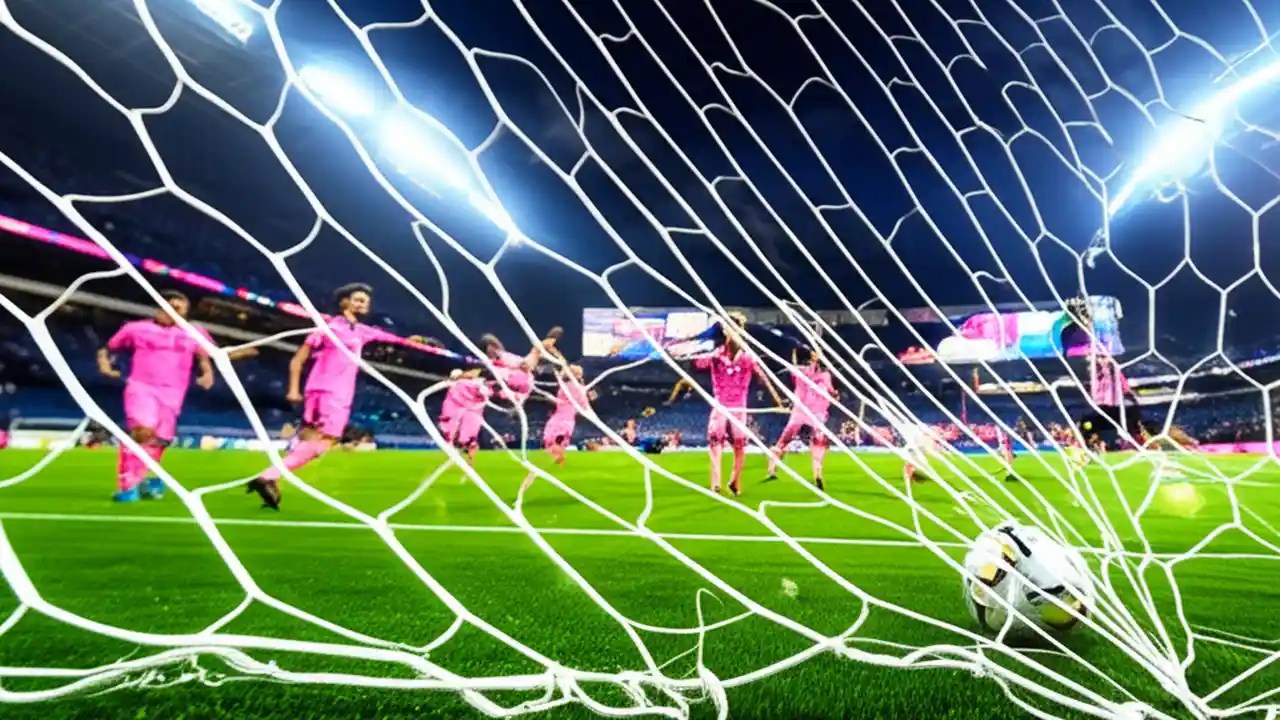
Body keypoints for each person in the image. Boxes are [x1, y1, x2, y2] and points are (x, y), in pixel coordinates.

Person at [246, 283, 417, 509]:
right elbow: (298, 359)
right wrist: (293, 389)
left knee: (308, 441)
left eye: (365, 301)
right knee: (324, 444)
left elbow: (392, 339)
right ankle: (268, 476)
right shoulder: (329, 327)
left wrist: (416, 342)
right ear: (344, 302)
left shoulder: (361, 332)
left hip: (325, 392)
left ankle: (272, 480)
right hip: (332, 394)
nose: (363, 304)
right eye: (357, 299)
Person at [99, 291, 217, 502]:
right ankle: (128, 486)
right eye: (170, 306)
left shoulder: (195, 332)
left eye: (180, 309)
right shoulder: (135, 328)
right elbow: (107, 349)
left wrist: (207, 373)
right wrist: (105, 365)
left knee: (160, 440)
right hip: (141, 387)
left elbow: (204, 357)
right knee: (142, 432)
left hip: (173, 393)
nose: (174, 312)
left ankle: (148, 480)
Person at [693, 313, 784, 496]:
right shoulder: (716, 354)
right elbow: (698, 363)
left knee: (739, 444)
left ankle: (735, 480)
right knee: (714, 439)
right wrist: (697, 348)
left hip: (739, 407)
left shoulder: (747, 357)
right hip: (720, 405)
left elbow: (763, 377)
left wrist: (777, 398)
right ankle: (716, 482)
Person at [766, 348, 836, 490]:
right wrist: (835, 395)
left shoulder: (803, 371)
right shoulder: (819, 374)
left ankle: (773, 468)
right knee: (817, 442)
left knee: (785, 441)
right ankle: (817, 473)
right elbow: (831, 392)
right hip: (814, 413)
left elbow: (792, 368)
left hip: (806, 412)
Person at [521, 365, 594, 497]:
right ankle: (528, 482)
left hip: (556, 421)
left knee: (549, 453)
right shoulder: (576, 388)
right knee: (548, 456)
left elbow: (565, 401)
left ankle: (551, 460)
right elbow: (583, 406)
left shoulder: (565, 386)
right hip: (564, 423)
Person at [438, 368, 493, 464]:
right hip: (469, 411)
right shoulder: (467, 384)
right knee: (462, 435)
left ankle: (463, 454)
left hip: (469, 411)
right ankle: (466, 456)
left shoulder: (466, 384)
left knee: (460, 434)